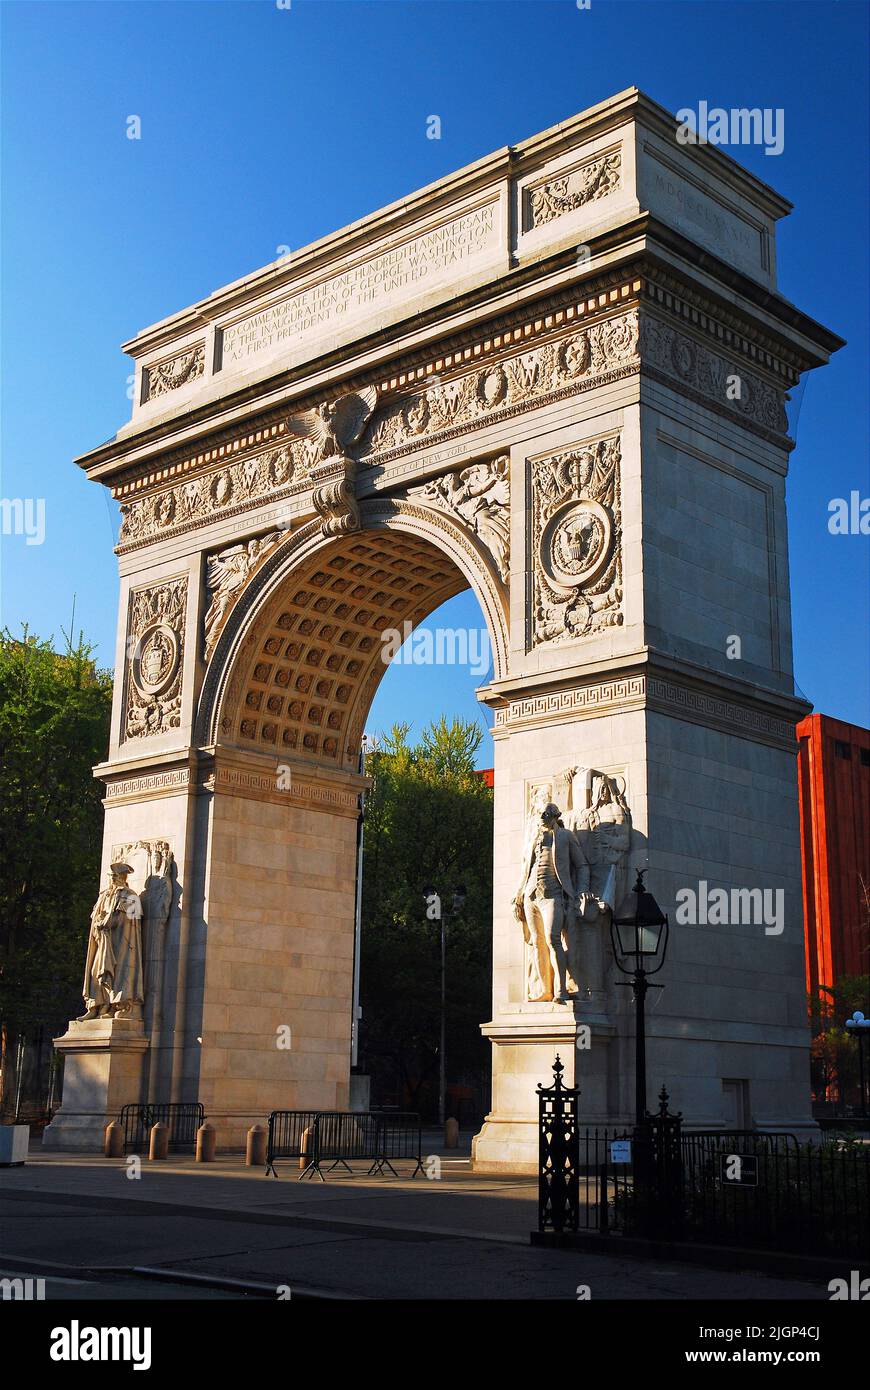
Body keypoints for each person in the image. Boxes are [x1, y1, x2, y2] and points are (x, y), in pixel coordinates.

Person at [79, 863, 144, 1020]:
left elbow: (130, 922)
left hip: (121, 942)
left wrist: (107, 921)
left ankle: (116, 1006)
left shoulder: (131, 895)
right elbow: (94, 916)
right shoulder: (104, 895)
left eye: (114, 876)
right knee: (96, 972)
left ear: (122, 877)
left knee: (119, 972)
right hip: (102, 940)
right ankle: (96, 1006)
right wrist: (99, 923)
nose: (112, 879)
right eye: (110, 876)